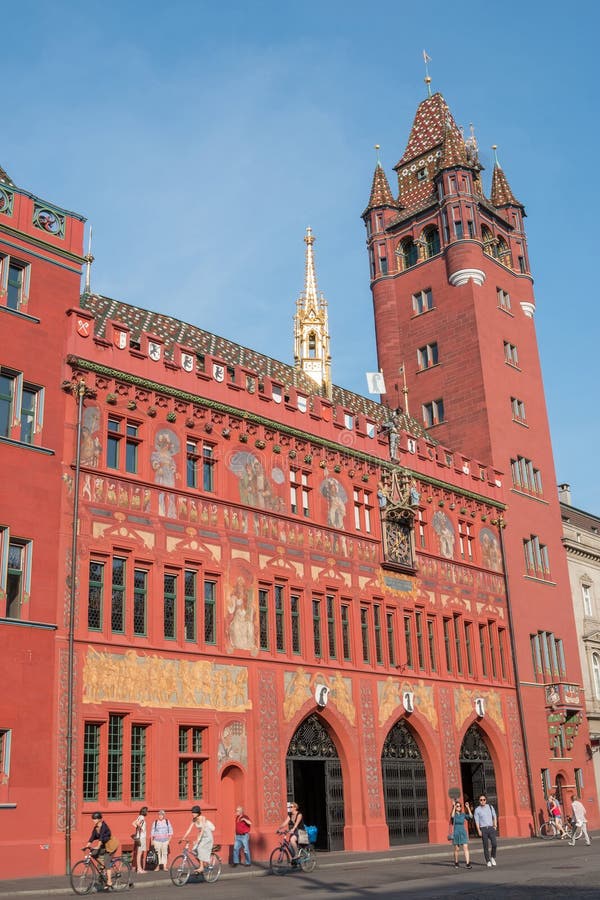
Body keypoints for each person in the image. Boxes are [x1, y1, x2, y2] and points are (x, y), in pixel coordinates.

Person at [85, 811, 116, 889]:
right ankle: (103, 865)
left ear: (99, 819)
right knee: (93, 853)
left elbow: (101, 837)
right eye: (93, 819)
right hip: (103, 846)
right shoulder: (96, 828)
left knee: (106, 861)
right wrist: (87, 845)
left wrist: (98, 846)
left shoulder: (103, 826)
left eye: (95, 819)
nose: (93, 820)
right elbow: (92, 837)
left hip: (110, 845)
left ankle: (109, 881)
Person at [181, 805, 215, 876]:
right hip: (201, 837)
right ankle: (202, 864)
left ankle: (202, 867)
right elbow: (189, 829)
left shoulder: (202, 818)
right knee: (194, 850)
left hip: (207, 837)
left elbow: (202, 830)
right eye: (192, 812)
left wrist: (198, 840)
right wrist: (183, 837)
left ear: (198, 813)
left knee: (200, 848)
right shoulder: (194, 820)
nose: (193, 814)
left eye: (194, 812)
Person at [473, 793, 498, 867]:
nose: (482, 801)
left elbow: (494, 816)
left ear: (486, 800)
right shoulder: (477, 810)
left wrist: (495, 825)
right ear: (479, 801)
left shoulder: (490, 807)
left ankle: (493, 857)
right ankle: (488, 860)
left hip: (491, 828)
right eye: (481, 800)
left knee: (494, 844)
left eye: (484, 800)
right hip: (483, 829)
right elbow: (477, 821)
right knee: (485, 845)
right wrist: (479, 830)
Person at [449, 799, 473, 868]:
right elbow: (452, 816)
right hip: (456, 833)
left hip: (463, 832)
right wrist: (453, 806)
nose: (459, 807)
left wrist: (468, 807)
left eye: (460, 806)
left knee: (466, 847)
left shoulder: (463, 814)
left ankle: (468, 864)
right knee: (457, 849)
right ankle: (456, 862)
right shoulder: (454, 814)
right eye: (457, 806)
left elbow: (471, 816)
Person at [132, 805, 148, 873]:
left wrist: (138, 828)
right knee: (139, 854)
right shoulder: (142, 817)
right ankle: (139, 869)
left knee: (138, 853)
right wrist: (141, 829)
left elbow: (133, 823)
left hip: (138, 837)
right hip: (141, 837)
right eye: (147, 811)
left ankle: (139, 868)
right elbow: (137, 823)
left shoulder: (139, 816)